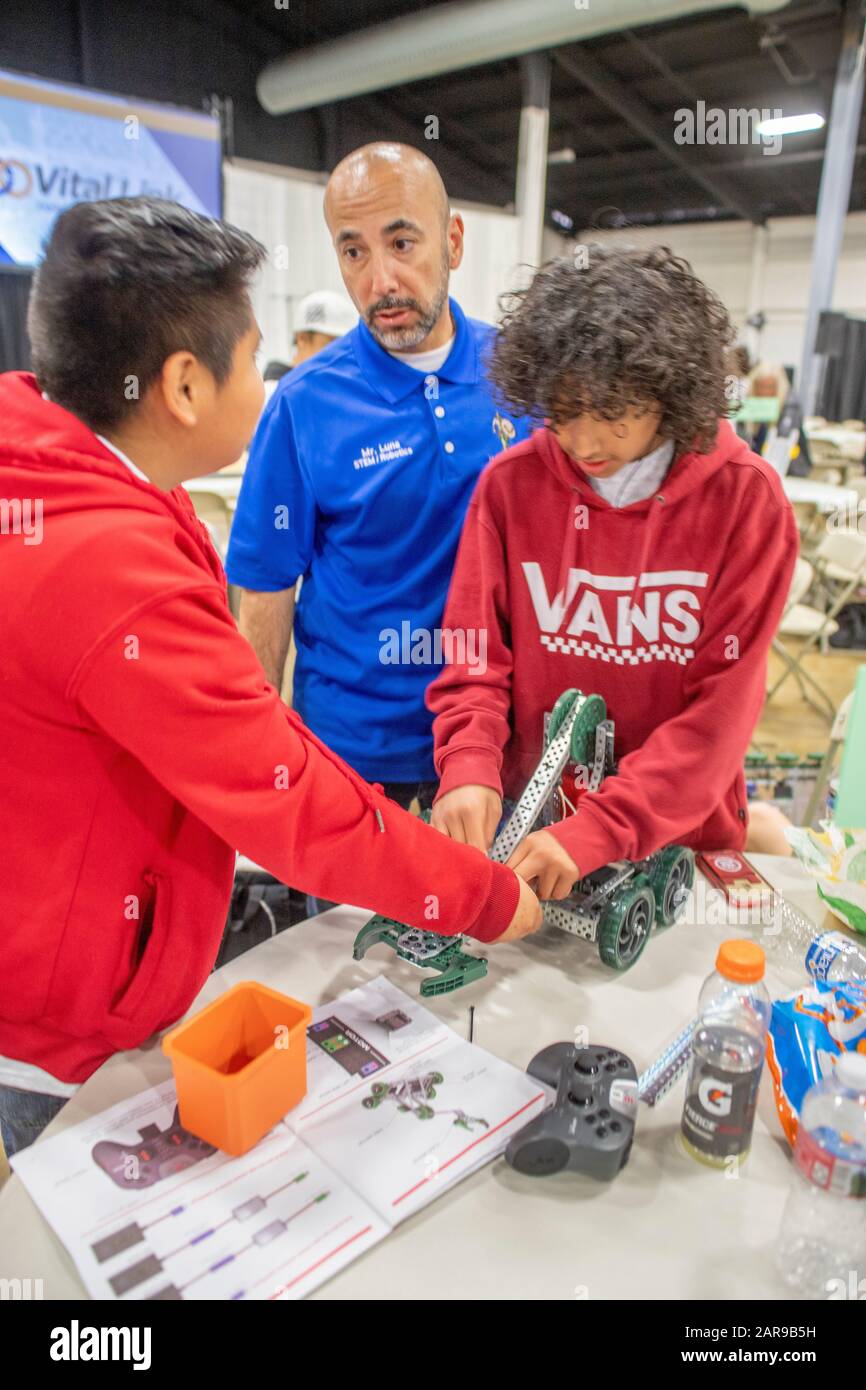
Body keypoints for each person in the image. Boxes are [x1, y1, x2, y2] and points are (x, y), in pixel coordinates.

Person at [0, 197, 540, 1158]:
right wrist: (483, 897)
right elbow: (285, 795)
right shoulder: (107, 570)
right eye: (253, 358)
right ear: (183, 385)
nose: (269, 378)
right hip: (63, 1017)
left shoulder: (63, 474)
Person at [427, 247, 799, 898]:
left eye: (613, 412)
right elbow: (472, 656)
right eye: (564, 412)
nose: (585, 440)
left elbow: (720, 715)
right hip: (533, 827)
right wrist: (468, 762)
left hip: (680, 843)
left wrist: (602, 828)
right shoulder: (510, 488)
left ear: (668, 390)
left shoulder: (747, 502)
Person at [225, 142, 531, 819]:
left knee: (502, 929)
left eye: (402, 242)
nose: (381, 280)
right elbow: (267, 589)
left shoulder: (523, 377)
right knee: (349, 932)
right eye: (354, 252)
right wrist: (259, 753)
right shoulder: (305, 404)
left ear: (453, 241)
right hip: (353, 756)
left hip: (498, 750)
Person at [262, 288, 356, 387]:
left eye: (345, 347)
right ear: (302, 339)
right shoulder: (275, 393)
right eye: (332, 344)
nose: (340, 355)